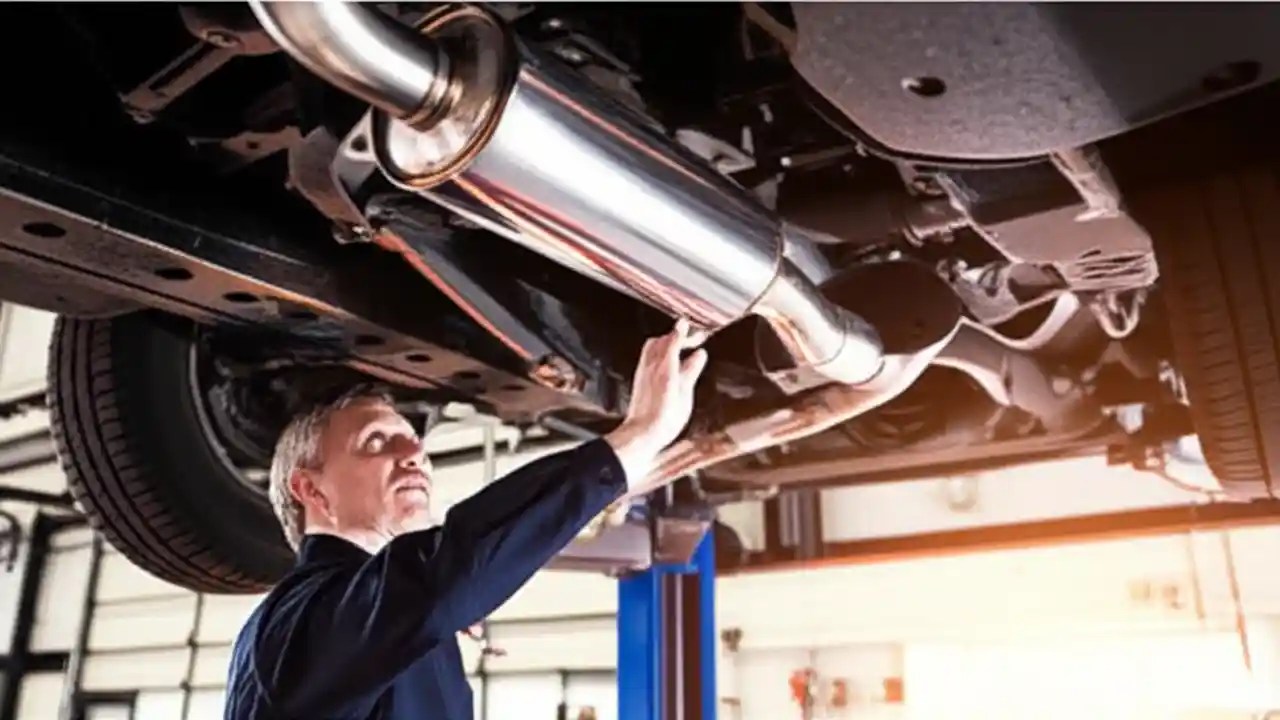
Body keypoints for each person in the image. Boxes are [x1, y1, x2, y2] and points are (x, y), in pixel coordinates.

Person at [224, 319, 709, 719]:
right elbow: (437, 579)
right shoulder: (298, 623)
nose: (415, 453)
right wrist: (636, 437)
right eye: (376, 441)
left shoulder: (390, 624)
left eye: (414, 440)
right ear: (311, 490)